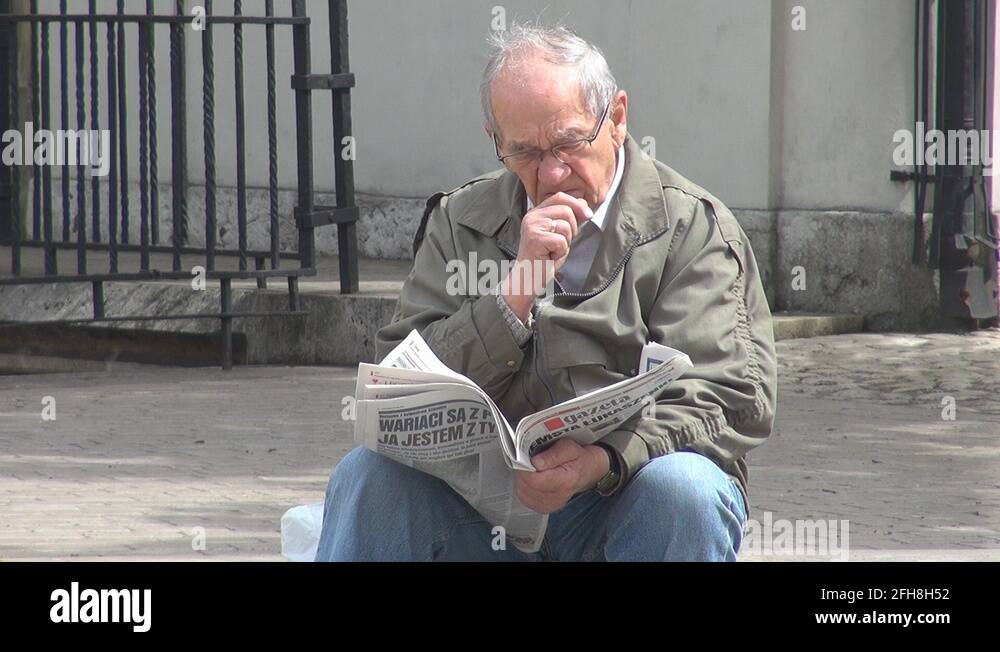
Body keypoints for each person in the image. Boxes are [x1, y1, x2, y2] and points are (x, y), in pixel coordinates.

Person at [316, 23, 777, 562]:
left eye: (568, 143)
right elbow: (396, 390)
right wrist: (513, 299)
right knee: (369, 475)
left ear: (617, 119)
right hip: (489, 514)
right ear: (496, 144)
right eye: (525, 153)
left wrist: (602, 460)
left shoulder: (690, 229)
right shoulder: (461, 222)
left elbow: (729, 396)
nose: (553, 173)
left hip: (619, 502)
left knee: (684, 490)